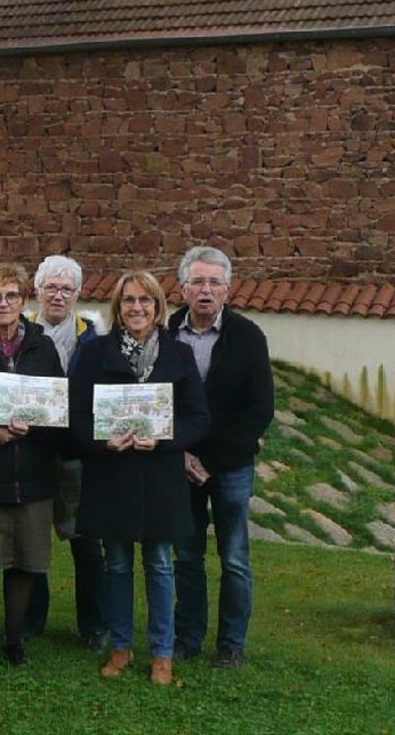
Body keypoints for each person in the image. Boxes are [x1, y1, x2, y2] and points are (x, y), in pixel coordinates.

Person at [69, 270, 209, 685]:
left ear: (158, 307)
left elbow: (198, 418)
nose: (136, 308)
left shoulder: (178, 355)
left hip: (160, 475)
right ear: (118, 307)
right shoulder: (95, 352)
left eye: (145, 301)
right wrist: (103, 442)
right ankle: (121, 647)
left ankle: (162, 653)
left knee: (160, 564)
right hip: (112, 474)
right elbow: (75, 418)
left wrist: (166, 440)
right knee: (115, 564)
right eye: (129, 300)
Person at [168, 246, 274, 669]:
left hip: (229, 468)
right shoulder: (166, 332)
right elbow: (159, 403)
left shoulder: (248, 337)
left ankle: (231, 645)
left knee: (234, 559)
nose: (206, 290)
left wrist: (211, 460)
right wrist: (180, 454)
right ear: (183, 288)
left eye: (215, 283)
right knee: (187, 557)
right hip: (180, 464)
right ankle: (187, 639)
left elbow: (259, 410)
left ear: (228, 290)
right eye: (198, 282)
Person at [0, 263, 63, 666]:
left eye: (11, 296)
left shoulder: (43, 346)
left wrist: (34, 428)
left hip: (34, 469)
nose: (3, 303)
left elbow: (59, 407)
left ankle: (14, 639)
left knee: (26, 558)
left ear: (24, 300)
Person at [24, 254, 107, 649]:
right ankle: (31, 619)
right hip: (34, 448)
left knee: (86, 539)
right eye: (50, 287)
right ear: (37, 291)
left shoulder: (93, 334)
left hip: (78, 450)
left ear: (77, 293)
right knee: (33, 537)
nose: (58, 295)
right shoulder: (22, 332)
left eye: (66, 289)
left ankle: (94, 625)